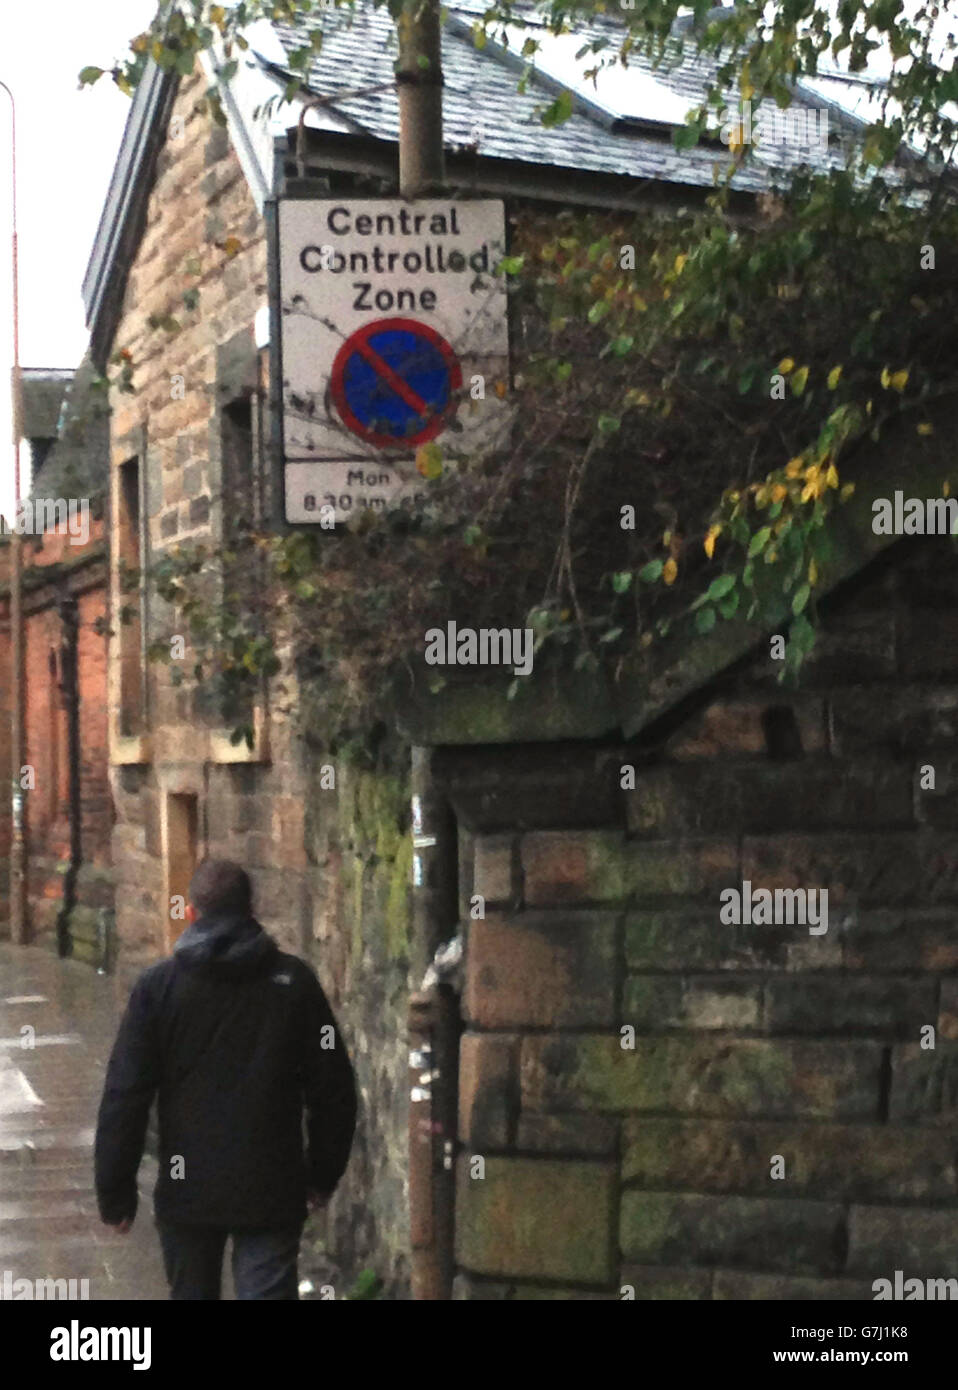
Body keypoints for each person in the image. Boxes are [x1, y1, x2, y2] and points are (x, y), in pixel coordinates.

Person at [94, 858, 357, 1300]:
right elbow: (333, 1088)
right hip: (272, 1187)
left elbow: (126, 1094)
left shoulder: (158, 989)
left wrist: (115, 1193)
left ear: (191, 912)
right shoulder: (294, 984)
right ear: (250, 909)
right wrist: (322, 1174)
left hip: (187, 1190)